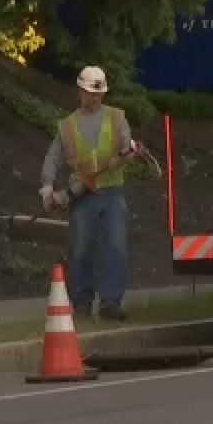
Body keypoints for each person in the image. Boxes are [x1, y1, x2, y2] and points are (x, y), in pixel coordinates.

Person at [40, 66, 133, 321]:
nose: (94, 98)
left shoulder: (116, 118)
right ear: (79, 92)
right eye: (89, 93)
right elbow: (53, 157)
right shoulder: (68, 126)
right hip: (81, 195)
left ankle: (110, 303)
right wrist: (48, 187)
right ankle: (81, 302)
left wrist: (126, 154)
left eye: (98, 94)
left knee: (114, 245)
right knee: (81, 247)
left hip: (112, 192)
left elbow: (127, 148)